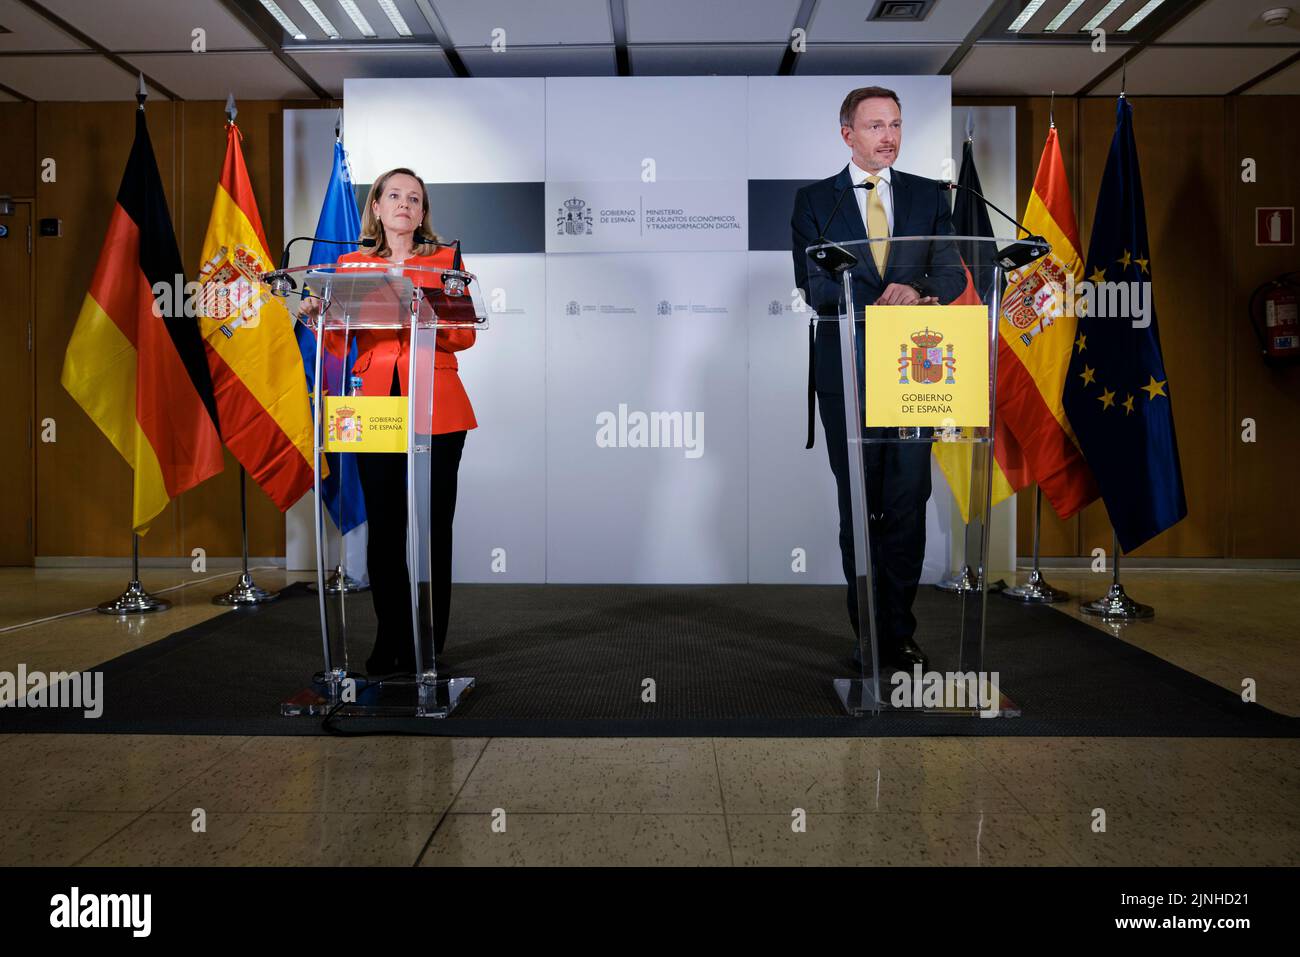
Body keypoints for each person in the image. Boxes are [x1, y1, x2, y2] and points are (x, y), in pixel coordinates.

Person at [790, 87, 964, 672]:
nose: (888, 136)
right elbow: (813, 288)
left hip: (917, 370)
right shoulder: (818, 201)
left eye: (895, 124)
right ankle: (868, 630)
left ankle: (900, 632)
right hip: (847, 372)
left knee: (908, 502)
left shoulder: (929, 195)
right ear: (847, 134)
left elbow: (953, 269)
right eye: (874, 126)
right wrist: (874, 302)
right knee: (860, 507)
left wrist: (917, 292)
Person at [301, 167, 476, 676]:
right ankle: (390, 638)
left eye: (414, 198)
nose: (404, 204)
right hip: (374, 403)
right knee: (385, 526)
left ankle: (429, 641)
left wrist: (428, 311)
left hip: (437, 401)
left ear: (423, 213)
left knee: (434, 526)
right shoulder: (350, 265)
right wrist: (319, 314)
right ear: (376, 206)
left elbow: (466, 335)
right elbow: (336, 339)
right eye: (394, 195)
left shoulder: (446, 261)